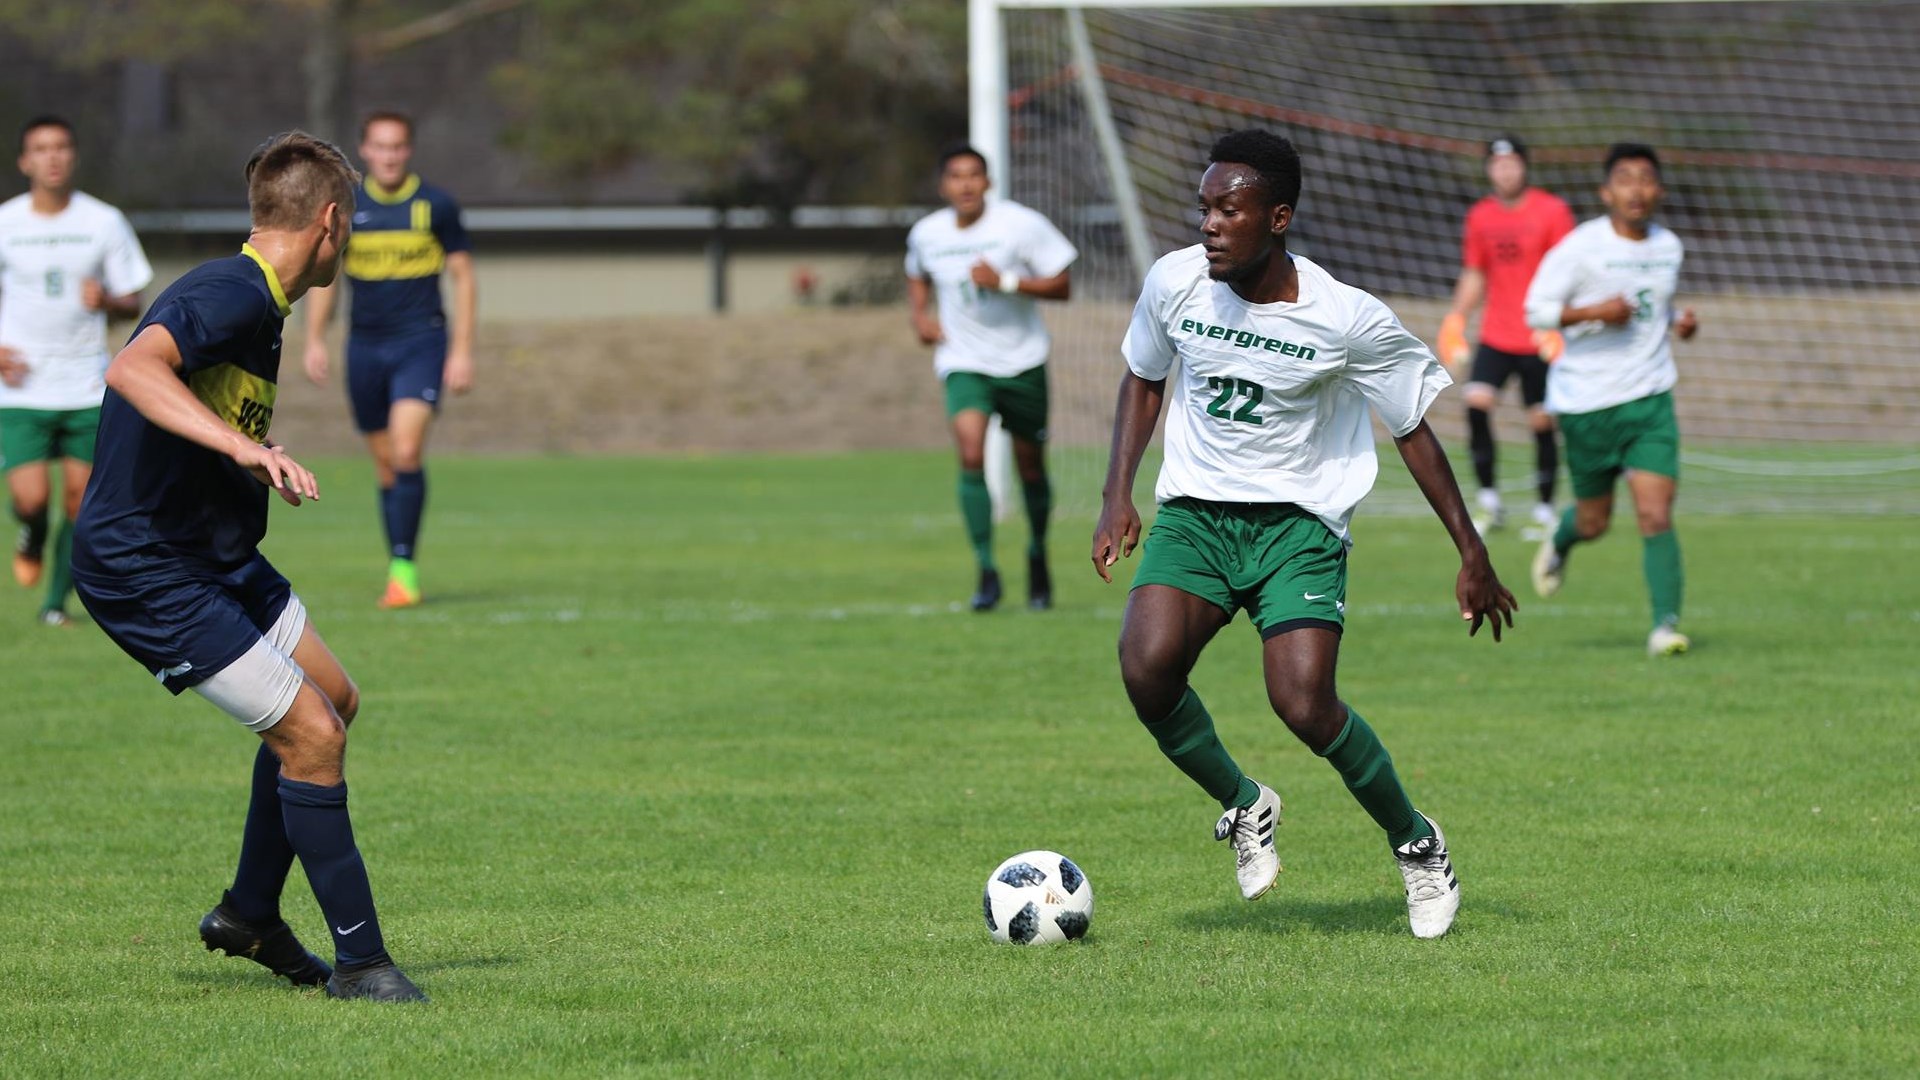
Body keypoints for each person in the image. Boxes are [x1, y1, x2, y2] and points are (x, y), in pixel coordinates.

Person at [1091, 130, 1516, 939]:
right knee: (1146, 669)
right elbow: (1144, 378)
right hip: (1197, 515)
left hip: (1297, 528)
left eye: (1229, 210)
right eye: (1204, 208)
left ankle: (1417, 844)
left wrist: (1471, 549)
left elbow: (1412, 430)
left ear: (1278, 218)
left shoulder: (1345, 317)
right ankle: (1244, 803)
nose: (1210, 225)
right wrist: (1117, 494)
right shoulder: (1175, 282)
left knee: (1303, 704)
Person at [72, 131, 425, 1002]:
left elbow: (185, 408)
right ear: (330, 222)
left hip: (213, 553)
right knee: (313, 737)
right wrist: (243, 445)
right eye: (350, 227)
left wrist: (243, 454)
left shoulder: (261, 304)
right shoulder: (231, 291)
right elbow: (132, 368)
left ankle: (250, 914)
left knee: (335, 699)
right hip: (145, 565)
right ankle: (363, 966)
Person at [1525, 143, 1699, 657]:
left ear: (1659, 190)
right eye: (1625, 179)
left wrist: (1680, 322)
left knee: (1655, 515)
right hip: (1586, 403)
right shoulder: (1580, 248)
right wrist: (1593, 312)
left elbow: (1655, 308)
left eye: (1646, 179)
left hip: (1650, 399)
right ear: (1606, 192)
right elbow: (1536, 312)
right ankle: (1562, 538)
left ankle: (1665, 627)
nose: (1636, 189)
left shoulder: (1669, 247)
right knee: (1594, 522)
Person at [301, 110, 474, 609]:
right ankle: (398, 566)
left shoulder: (435, 206)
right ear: (365, 151)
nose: (390, 155)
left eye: (397, 146)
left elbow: (464, 276)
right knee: (385, 467)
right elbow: (326, 278)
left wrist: (462, 350)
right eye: (380, 146)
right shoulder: (346, 208)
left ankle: (404, 571)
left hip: (421, 343)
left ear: (409, 150)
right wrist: (314, 338)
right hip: (365, 348)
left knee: (406, 451)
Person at [905, 145, 1076, 611]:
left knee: (1030, 467)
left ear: (988, 182)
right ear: (943, 185)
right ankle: (986, 571)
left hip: (1023, 362)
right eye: (955, 176)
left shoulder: (1020, 224)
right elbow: (916, 273)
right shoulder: (927, 233)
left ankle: (1037, 554)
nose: (965, 184)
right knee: (970, 454)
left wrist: (1006, 282)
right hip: (963, 362)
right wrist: (920, 317)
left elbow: (1063, 284)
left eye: (973, 175)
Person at [0, 115, 152, 626]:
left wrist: (107, 300)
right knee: (31, 499)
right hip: (20, 388)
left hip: (87, 384)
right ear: (25, 161)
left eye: (62, 146)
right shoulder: (6, 223)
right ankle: (31, 532)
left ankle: (54, 603)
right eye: (41, 148)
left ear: (74, 155)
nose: (53, 157)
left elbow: (134, 301)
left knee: (81, 505)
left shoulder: (103, 221)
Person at [1436, 135, 1575, 535]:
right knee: (1476, 403)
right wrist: (1456, 319)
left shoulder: (1552, 211)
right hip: (1496, 334)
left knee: (1542, 422)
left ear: (1525, 167)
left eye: (1512, 163)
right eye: (1498, 164)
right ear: (1489, 170)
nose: (1505, 171)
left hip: (1540, 335)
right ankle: (1490, 504)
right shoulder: (1481, 216)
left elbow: (1570, 270)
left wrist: (1559, 324)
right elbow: (1475, 272)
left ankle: (1545, 512)